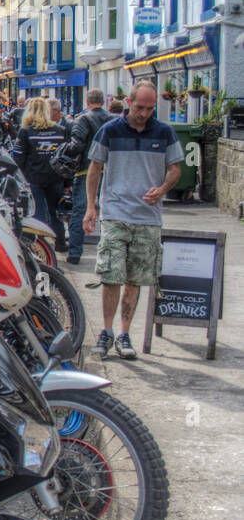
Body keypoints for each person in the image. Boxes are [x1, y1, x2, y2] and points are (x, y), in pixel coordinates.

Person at [82, 80, 184, 360]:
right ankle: (106, 330)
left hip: (147, 216)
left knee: (135, 278)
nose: (144, 114)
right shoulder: (110, 130)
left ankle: (124, 334)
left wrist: (162, 189)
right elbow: (95, 168)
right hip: (115, 212)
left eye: (150, 109)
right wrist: (92, 207)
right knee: (111, 274)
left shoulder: (164, 132)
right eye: (140, 107)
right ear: (129, 102)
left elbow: (175, 169)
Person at [13, 98, 69, 252]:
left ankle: (39, 247)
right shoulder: (60, 131)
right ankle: (61, 242)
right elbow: (67, 158)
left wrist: (19, 178)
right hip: (55, 178)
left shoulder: (26, 131)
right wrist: (68, 182)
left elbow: (18, 157)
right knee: (54, 212)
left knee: (37, 214)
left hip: (33, 178)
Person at [63, 89, 111, 265]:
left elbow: (76, 145)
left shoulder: (83, 119)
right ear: (102, 102)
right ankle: (109, 254)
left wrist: (66, 152)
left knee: (80, 211)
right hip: (109, 170)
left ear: (87, 101)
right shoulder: (113, 119)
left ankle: (75, 253)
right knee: (109, 212)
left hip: (86, 169)